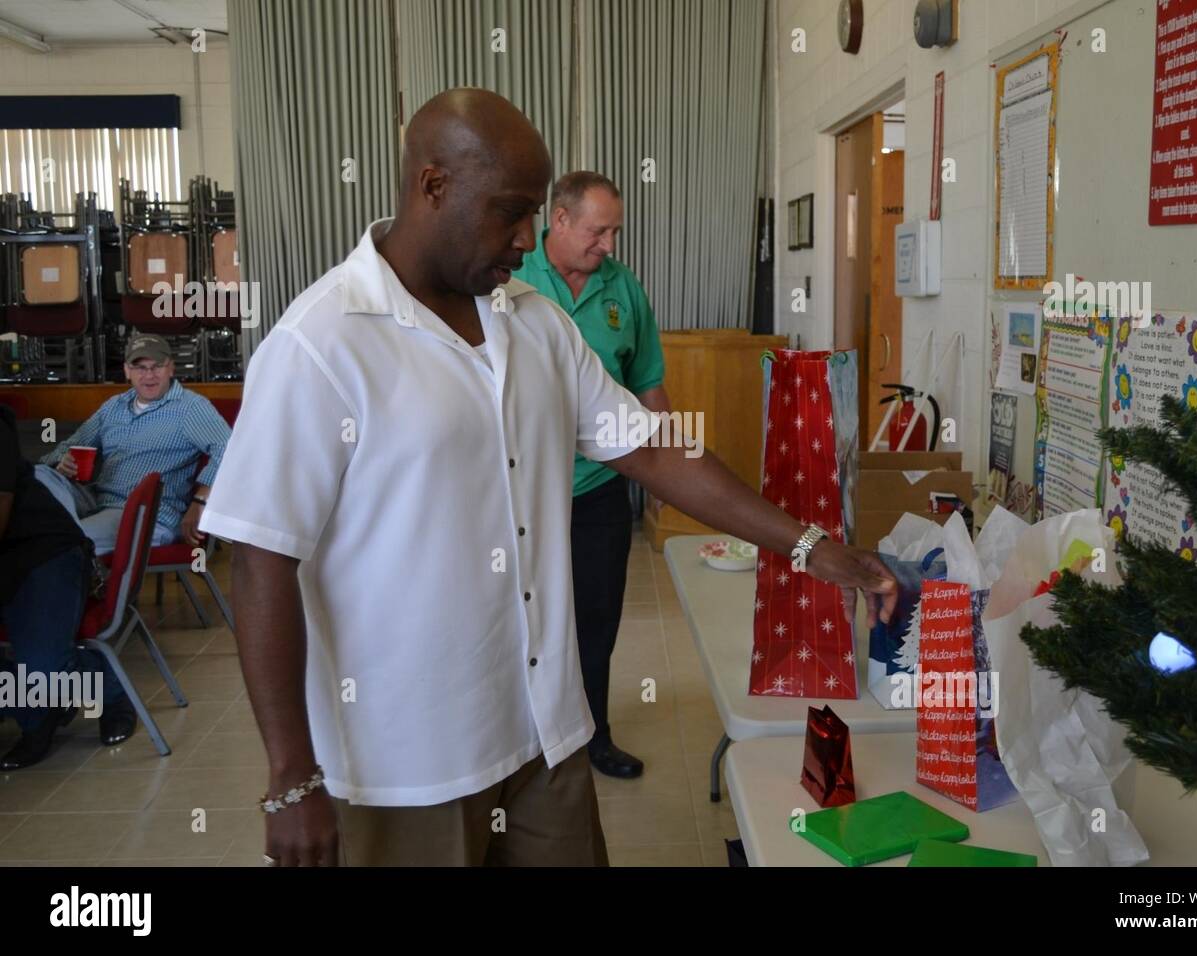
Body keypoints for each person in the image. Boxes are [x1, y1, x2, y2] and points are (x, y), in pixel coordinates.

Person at [199, 88, 897, 867]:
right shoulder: (320, 345)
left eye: (536, 212)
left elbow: (654, 450)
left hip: (543, 737)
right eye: (511, 211)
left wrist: (809, 545)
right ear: (433, 186)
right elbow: (261, 559)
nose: (529, 238)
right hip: (406, 765)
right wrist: (292, 777)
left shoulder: (533, 320)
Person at [514, 170, 666, 779]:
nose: (608, 244)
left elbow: (649, 381)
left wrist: (664, 475)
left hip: (599, 491)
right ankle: (525, 744)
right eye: (597, 231)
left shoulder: (623, 288)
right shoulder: (514, 277)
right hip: (522, 493)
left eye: (615, 231)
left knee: (595, 622)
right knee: (524, 622)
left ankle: (593, 737)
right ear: (560, 219)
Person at [0, 404, 136, 767]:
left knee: (44, 668)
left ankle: (105, 692)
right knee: (34, 675)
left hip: (43, 553)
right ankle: (40, 703)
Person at [37, 334, 230, 555]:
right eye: (139, 367)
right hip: (97, 499)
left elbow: (229, 448)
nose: (149, 375)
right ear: (127, 371)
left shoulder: (190, 407)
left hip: (144, 512)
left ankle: (63, 541)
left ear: (171, 369)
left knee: (61, 541)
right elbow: (70, 445)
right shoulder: (114, 406)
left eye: (157, 366)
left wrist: (201, 499)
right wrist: (63, 462)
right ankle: (62, 536)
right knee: (41, 474)